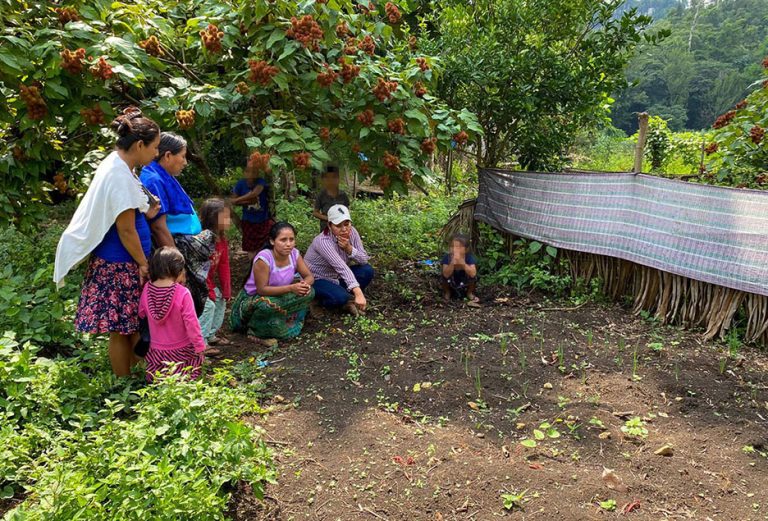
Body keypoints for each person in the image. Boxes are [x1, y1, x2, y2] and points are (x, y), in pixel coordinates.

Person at [54, 107, 161, 377]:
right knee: (122, 329)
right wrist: (143, 263)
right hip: (119, 263)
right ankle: (124, 383)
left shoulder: (120, 165)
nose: (156, 153)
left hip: (122, 261)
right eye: (155, 147)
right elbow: (126, 230)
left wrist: (146, 210)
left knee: (131, 326)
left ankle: (139, 377)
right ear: (139, 145)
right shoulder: (117, 175)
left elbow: (128, 213)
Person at [230, 222, 315, 343]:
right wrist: (291, 288)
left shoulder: (294, 254)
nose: (288, 244)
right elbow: (262, 290)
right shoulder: (264, 258)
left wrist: (305, 284)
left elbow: (309, 276)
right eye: (283, 240)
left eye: (292, 239)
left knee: (310, 292)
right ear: (272, 241)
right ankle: (255, 331)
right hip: (256, 299)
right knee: (267, 305)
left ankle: (285, 319)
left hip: (281, 294)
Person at [139, 247, 206, 382]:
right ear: (177, 270)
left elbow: (141, 313)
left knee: (159, 380)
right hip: (182, 349)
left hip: (156, 348)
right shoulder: (182, 293)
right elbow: (191, 323)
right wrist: (199, 346)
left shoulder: (147, 289)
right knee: (185, 380)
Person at [304, 204, 374, 315]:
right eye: (338, 225)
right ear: (330, 225)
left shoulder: (352, 232)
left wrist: (349, 249)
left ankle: (346, 298)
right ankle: (317, 301)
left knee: (367, 270)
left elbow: (364, 259)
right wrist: (358, 292)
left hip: (336, 277)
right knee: (340, 298)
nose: (344, 229)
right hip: (317, 279)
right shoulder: (323, 242)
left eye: (347, 224)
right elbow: (341, 267)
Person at [139, 132, 201, 247]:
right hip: (176, 246)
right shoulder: (154, 180)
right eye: (183, 156)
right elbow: (158, 227)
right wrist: (175, 262)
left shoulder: (162, 175)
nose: (185, 162)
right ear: (168, 156)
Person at [198, 198, 232, 352]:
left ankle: (211, 333)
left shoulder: (222, 240)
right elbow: (198, 269)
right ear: (213, 218)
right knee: (208, 305)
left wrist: (227, 289)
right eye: (224, 216)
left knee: (221, 298)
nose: (228, 220)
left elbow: (224, 266)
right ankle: (201, 341)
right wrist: (208, 289)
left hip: (208, 282)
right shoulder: (203, 240)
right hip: (198, 282)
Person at [231, 160, 273, 261]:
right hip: (248, 220)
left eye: (255, 171)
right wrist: (246, 202)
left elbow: (255, 193)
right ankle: (253, 267)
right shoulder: (240, 184)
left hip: (263, 220)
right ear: (245, 173)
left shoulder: (260, 181)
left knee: (265, 245)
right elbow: (233, 201)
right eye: (249, 171)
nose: (252, 174)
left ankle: (263, 265)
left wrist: (238, 199)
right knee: (250, 247)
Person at [441, 233, 479, 306]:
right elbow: (445, 275)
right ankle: (447, 292)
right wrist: (452, 263)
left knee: (473, 277)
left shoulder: (469, 258)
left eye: (459, 247)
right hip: (451, 280)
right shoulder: (447, 258)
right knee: (444, 277)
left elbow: (473, 273)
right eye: (453, 246)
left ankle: (469, 293)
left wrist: (463, 263)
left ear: (466, 249)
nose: (455, 249)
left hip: (464, 280)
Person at [312, 165, 350, 231]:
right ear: (323, 180)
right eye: (327, 178)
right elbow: (315, 213)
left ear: (338, 179)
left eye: (334, 177)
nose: (331, 180)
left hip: (341, 229)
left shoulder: (343, 195)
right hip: (326, 229)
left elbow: (347, 211)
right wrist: (329, 218)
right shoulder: (321, 195)